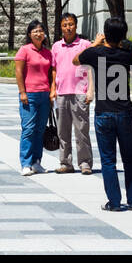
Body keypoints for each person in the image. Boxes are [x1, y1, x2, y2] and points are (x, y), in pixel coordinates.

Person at [75, 17, 132, 211]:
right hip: (124, 112)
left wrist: (96, 43)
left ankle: (114, 202)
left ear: (105, 33)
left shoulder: (95, 53)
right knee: (130, 158)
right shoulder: (127, 55)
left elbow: (75, 60)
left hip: (103, 112)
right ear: (123, 35)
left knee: (107, 160)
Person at [49, 14, 93, 174]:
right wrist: (53, 88)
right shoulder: (56, 47)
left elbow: (90, 68)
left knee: (82, 130)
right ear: (61, 27)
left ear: (76, 26)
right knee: (63, 131)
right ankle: (66, 163)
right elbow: (54, 69)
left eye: (71, 24)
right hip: (61, 93)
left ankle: (85, 163)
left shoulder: (85, 44)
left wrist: (90, 90)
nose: (68, 27)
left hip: (80, 93)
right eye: (65, 25)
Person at [14, 20, 53, 176]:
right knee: (28, 129)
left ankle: (37, 162)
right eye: (35, 31)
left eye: (41, 31)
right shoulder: (24, 50)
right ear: (29, 34)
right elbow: (18, 72)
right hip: (29, 94)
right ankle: (25, 163)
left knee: (40, 130)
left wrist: (52, 91)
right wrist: (22, 92)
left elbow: (51, 73)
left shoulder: (47, 52)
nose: (38, 34)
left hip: (44, 94)